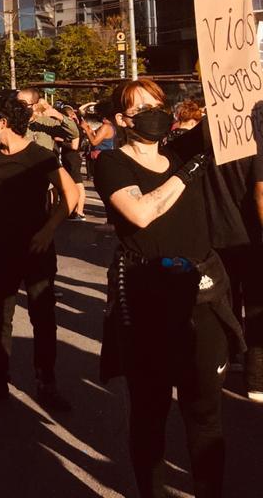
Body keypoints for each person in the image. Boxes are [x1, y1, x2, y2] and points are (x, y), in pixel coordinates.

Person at [94, 78, 241, 498]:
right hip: (146, 299)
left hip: (201, 295)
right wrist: (187, 173)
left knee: (205, 411)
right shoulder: (111, 163)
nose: (155, 112)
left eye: (159, 103)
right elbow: (140, 213)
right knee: (150, 412)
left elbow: (230, 106)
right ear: (123, 119)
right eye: (142, 107)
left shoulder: (181, 150)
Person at [0, 94, 78, 411]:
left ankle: (47, 384)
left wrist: (47, 231)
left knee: (42, 317)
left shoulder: (40, 156)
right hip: (2, 245)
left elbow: (69, 194)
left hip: (36, 247)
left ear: (3, 123)